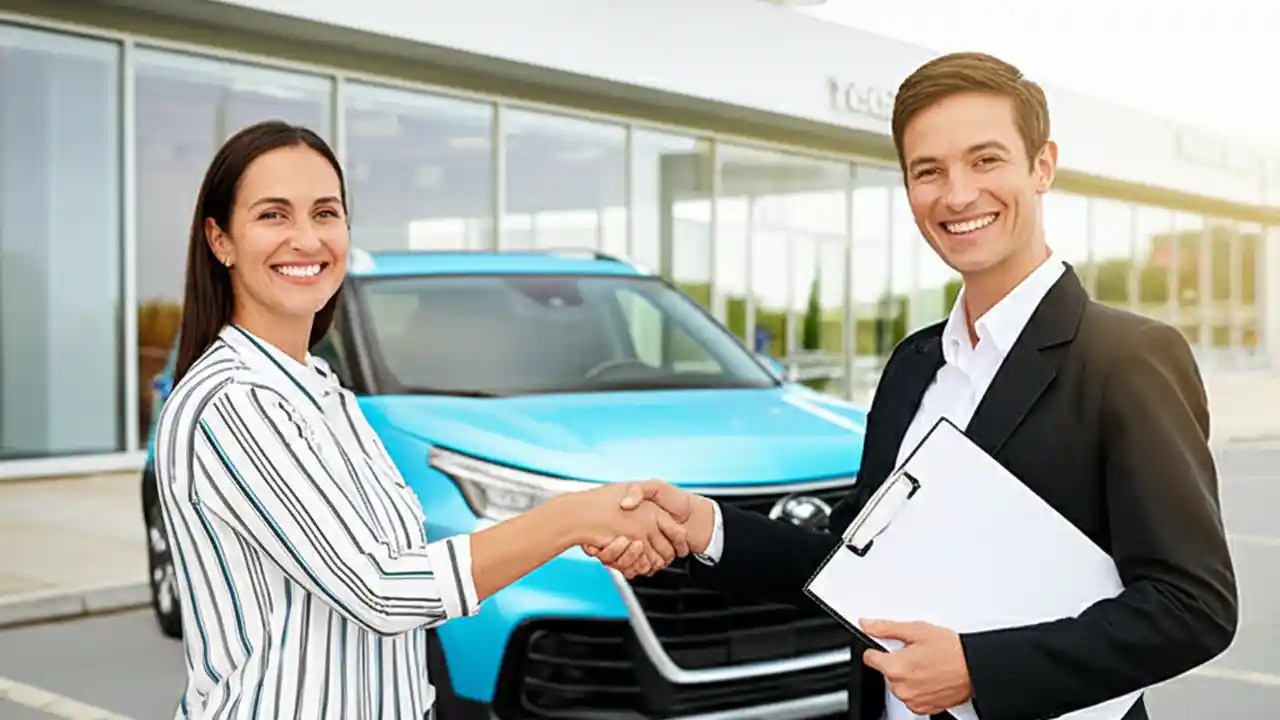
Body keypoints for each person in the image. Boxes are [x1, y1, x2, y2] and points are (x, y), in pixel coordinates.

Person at [589, 52, 1238, 720]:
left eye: (986, 160)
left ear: (1042, 166)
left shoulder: (1127, 358)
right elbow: (851, 562)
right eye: (928, 171)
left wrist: (977, 670)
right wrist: (708, 526)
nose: (957, 195)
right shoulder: (913, 365)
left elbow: (1192, 606)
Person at [153, 120, 685, 720]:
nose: (306, 239)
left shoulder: (326, 394)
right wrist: (570, 518)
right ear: (220, 239)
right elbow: (382, 589)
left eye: (325, 213)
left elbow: (397, 585)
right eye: (274, 215)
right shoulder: (234, 403)